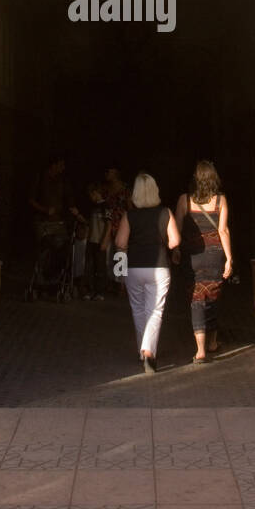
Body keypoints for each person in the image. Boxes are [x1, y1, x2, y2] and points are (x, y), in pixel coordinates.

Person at [115, 172, 180, 374]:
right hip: (159, 266)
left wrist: (119, 269)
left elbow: (120, 243)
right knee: (156, 310)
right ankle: (148, 351)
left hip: (134, 267)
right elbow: (175, 241)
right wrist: (166, 244)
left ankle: (143, 351)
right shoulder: (165, 212)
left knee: (138, 309)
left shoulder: (129, 215)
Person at [174, 160, 233, 364]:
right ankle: (213, 342)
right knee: (213, 298)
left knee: (196, 299)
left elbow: (177, 229)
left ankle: (200, 350)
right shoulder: (220, 201)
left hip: (192, 256)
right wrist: (229, 259)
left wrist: (175, 251)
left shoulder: (184, 200)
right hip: (215, 255)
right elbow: (223, 231)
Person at [99, 166, 129, 296]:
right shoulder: (105, 189)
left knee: (120, 254)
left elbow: (129, 206)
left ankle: (121, 283)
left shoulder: (124, 188)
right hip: (108, 222)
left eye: (109, 171)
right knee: (108, 254)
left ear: (116, 172)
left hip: (121, 223)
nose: (106, 174)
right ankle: (111, 281)